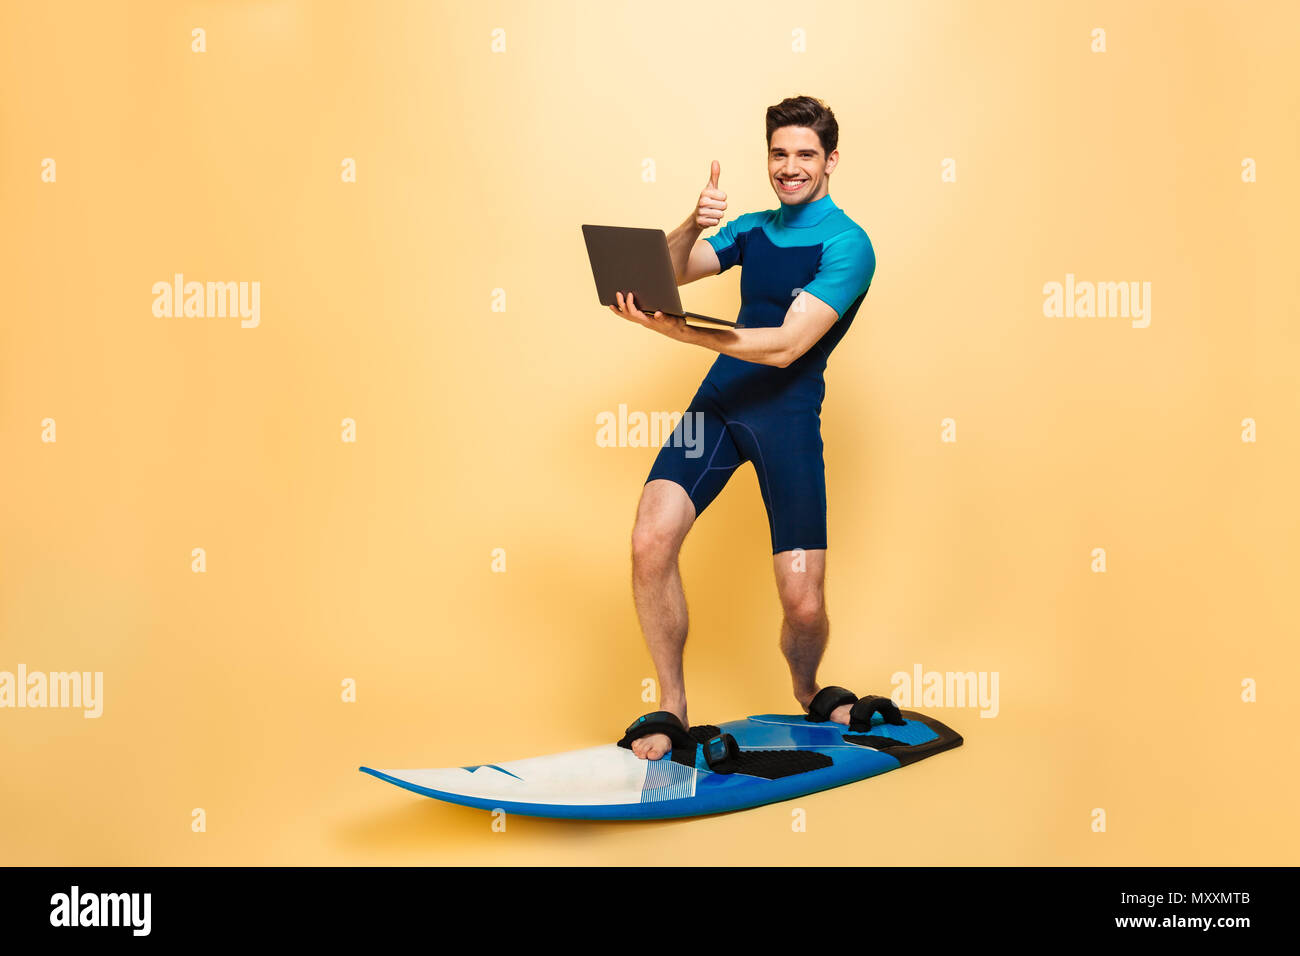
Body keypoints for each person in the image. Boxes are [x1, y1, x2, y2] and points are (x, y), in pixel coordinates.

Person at [608, 96, 879, 760]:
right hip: (721, 405)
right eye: (779, 154)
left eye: (805, 155)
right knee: (650, 541)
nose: (790, 168)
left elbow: (787, 345)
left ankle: (808, 686)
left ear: (831, 161)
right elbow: (665, 275)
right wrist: (687, 223)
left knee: (805, 608)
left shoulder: (849, 245)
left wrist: (675, 329)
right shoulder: (752, 227)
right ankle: (671, 706)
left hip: (785, 418)